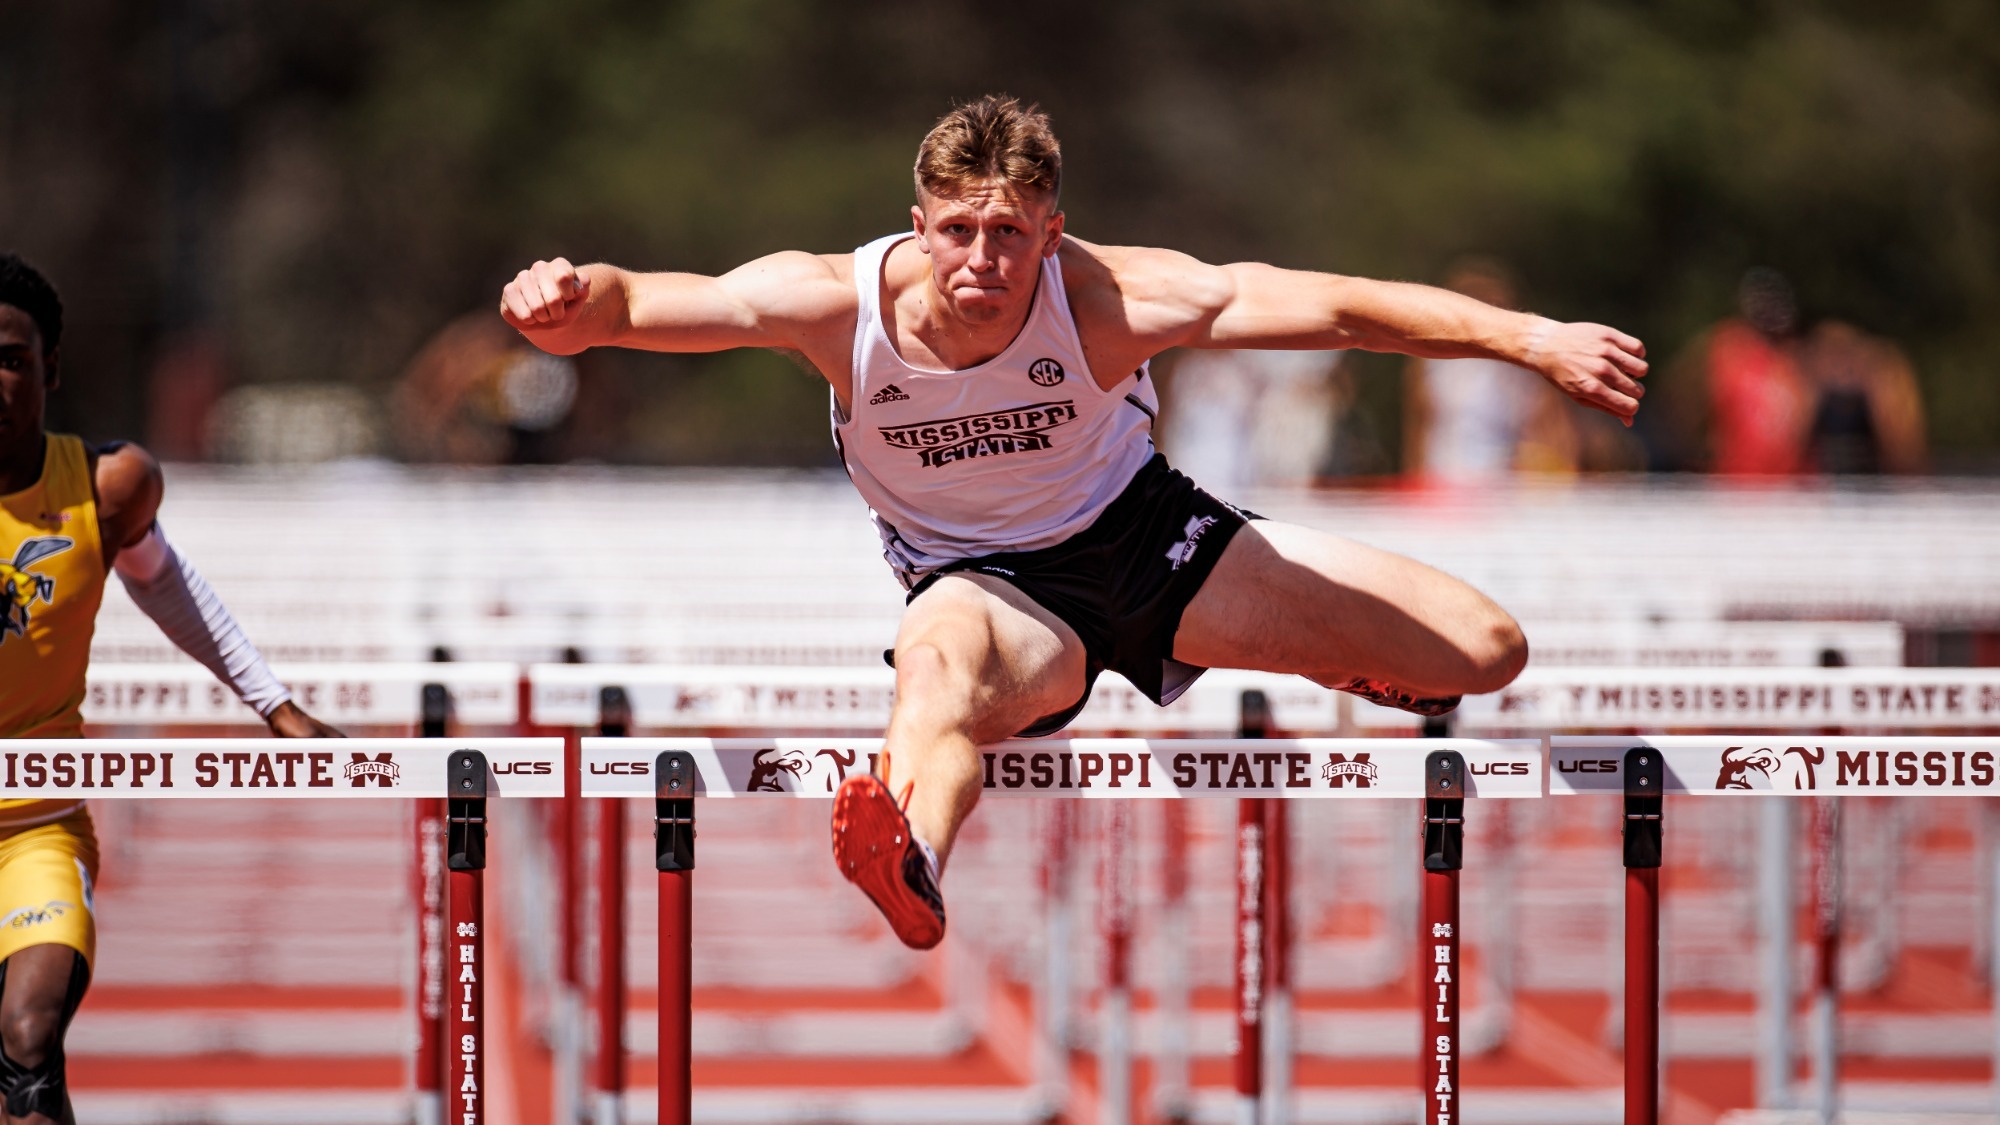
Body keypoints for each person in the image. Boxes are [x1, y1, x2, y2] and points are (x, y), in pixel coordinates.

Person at [499, 95, 1647, 950]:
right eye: (957, 232)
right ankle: (910, 864)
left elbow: (1342, 310)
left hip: (1149, 540)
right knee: (938, 673)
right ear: (918, 224)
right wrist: (565, 304)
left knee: (1485, 652)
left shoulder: (1110, 299)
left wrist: (1530, 338)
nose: (982, 262)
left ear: (1052, 232)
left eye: (1009, 235)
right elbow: (646, 302)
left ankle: (1349, 659)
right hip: (983, 584)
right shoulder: (831, 302)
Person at [0, 253, 339, 1123]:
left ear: (51, 368)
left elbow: (169, 587)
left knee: (29, 1039)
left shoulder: (107, 488)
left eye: (12, 358)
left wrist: (275, 703)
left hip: (34, 827)